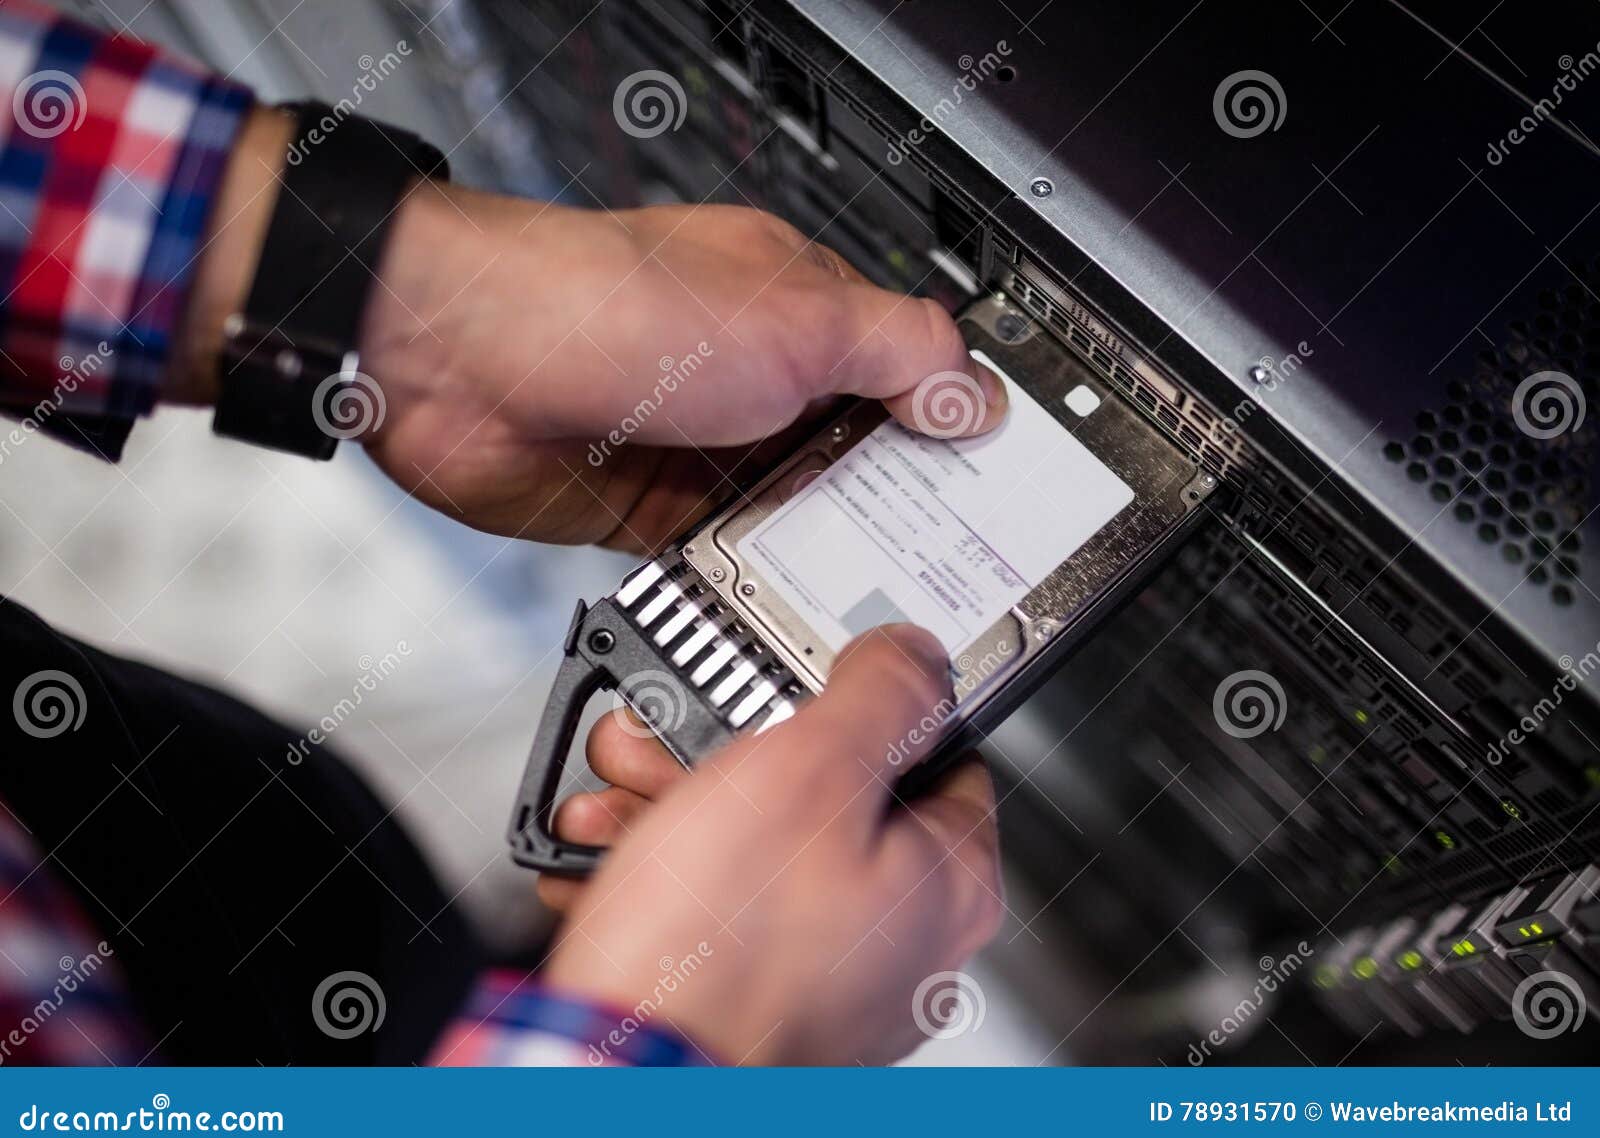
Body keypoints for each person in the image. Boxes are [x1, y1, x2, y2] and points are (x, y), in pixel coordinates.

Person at [0, 0, 1005, 1066]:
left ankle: (509, 983)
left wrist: (395, 289)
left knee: (358, 906)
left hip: (153, 826)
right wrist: (688, 1036)